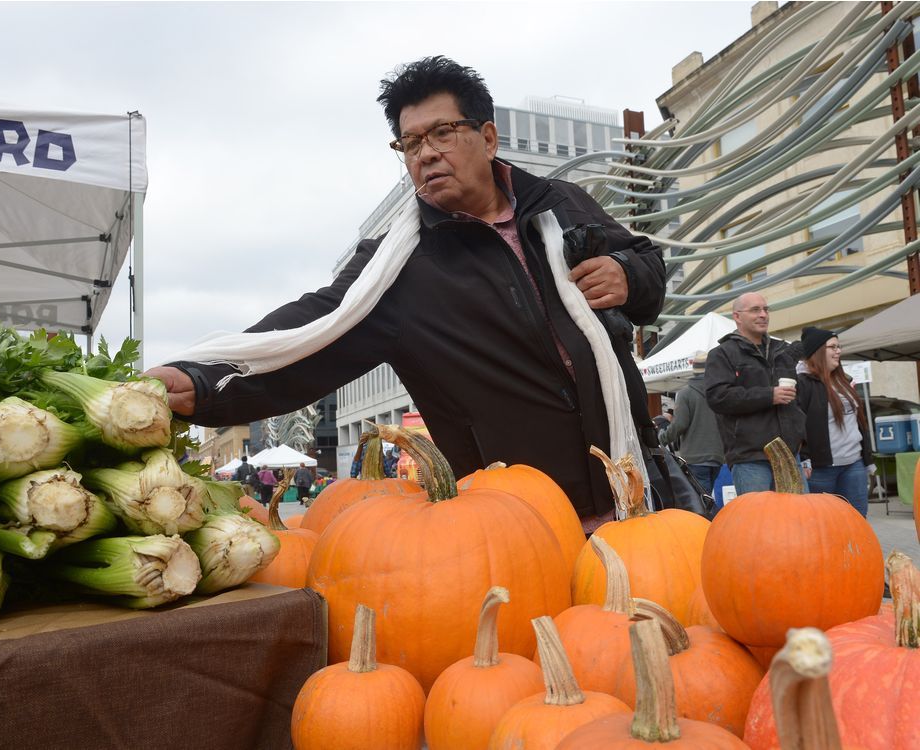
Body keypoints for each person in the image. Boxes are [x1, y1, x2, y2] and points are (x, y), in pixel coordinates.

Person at [144, 56, 666, 531]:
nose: (426, 154)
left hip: (636, 490)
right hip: (516, 522)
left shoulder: (561, 204)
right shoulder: (397, 267)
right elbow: (312, 330)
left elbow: (648, 266)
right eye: (410, 144)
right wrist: (201, 381)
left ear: (488, 138)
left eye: (442, 132)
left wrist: (627, 274)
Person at [705, 292, 805, 495]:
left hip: (789, 454)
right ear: (737, 316)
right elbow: (718, 397)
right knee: (759, 515)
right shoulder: (722, 354)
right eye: (755, 310)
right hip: (750, 457)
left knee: (799, 515)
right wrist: (769, 395)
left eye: (766, 309)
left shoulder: (782, 351)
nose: (763, 315)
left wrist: (800, 438)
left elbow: (798, 399)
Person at [796, 327, 874, 517]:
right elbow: (797, 425)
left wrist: (867, 458)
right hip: (821, 469)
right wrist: (804, 459)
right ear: (817, 351)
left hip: (854, 464)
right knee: (823, 524)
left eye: (839, 347)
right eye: (832, 347)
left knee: (857, 521)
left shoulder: (843, 381)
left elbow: (859, 424)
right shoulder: (803, 383)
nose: (838, 351)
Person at [657, 352, 724, 494]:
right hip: (718, 455)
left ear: (694, 371)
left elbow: (680, 424)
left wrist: (661, 438)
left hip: (695, 457)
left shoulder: (685, 393)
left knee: (700, 499)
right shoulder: (720, 392)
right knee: (707, 496)